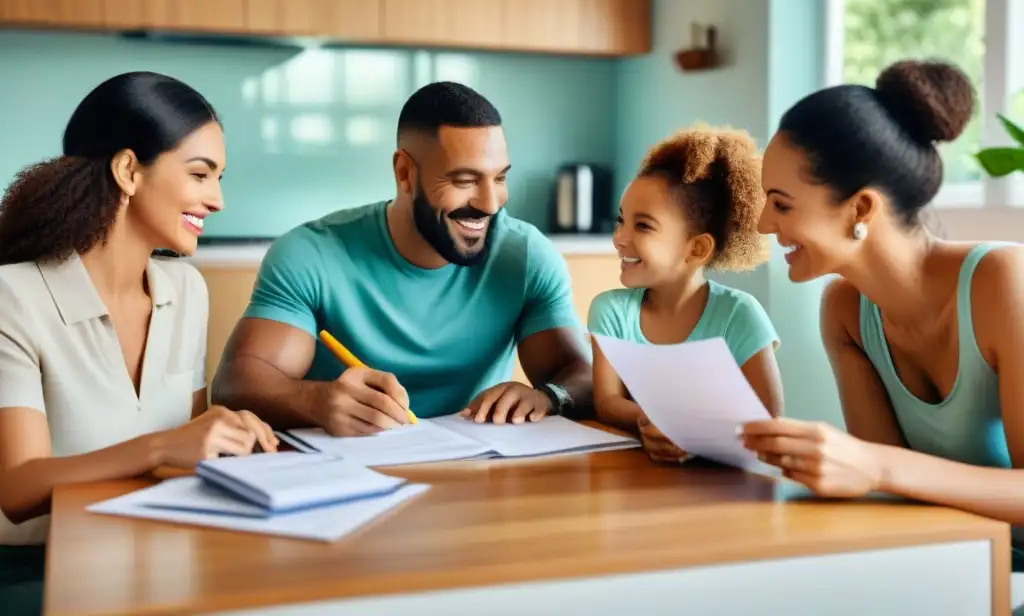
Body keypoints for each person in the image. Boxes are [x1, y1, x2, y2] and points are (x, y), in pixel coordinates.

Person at [0, 72, 276, 615]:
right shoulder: (13, 296)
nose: (217, 200)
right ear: (128, 171)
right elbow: (16, 488)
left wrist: (229, 437)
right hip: (33, 570)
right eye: (200, 174)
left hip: (153, 547)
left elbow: (189, 447)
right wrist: (161, 447)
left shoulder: (186, 291)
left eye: (218, 178)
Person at [742, 58, 1024, 571]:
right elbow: (889, 501)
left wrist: (874, 465)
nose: (763, 224)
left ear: (861, 209)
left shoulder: (1002, 282)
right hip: (953, 567)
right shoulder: (845, 312)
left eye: (781, 205)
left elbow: (881, 470)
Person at [212, 81, 593, 435]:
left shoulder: (525, 255)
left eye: (499, 178)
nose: (490, 204)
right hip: (349, 469)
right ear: (404, 172)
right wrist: (315, 400)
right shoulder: (310, 254)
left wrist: (549, 396)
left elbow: (582, 375)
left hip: (479, 467)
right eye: (464, 181)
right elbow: (235, 385)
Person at [589, 125, 783, 462]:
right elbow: (606, 402)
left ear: (697, 249)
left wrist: (689, 432)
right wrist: (653, 424)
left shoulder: (740, 315)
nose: (619, 238)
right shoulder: (610, 311)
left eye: (643, 225)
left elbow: (768, 416)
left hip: (728, 479)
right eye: (621, 221)